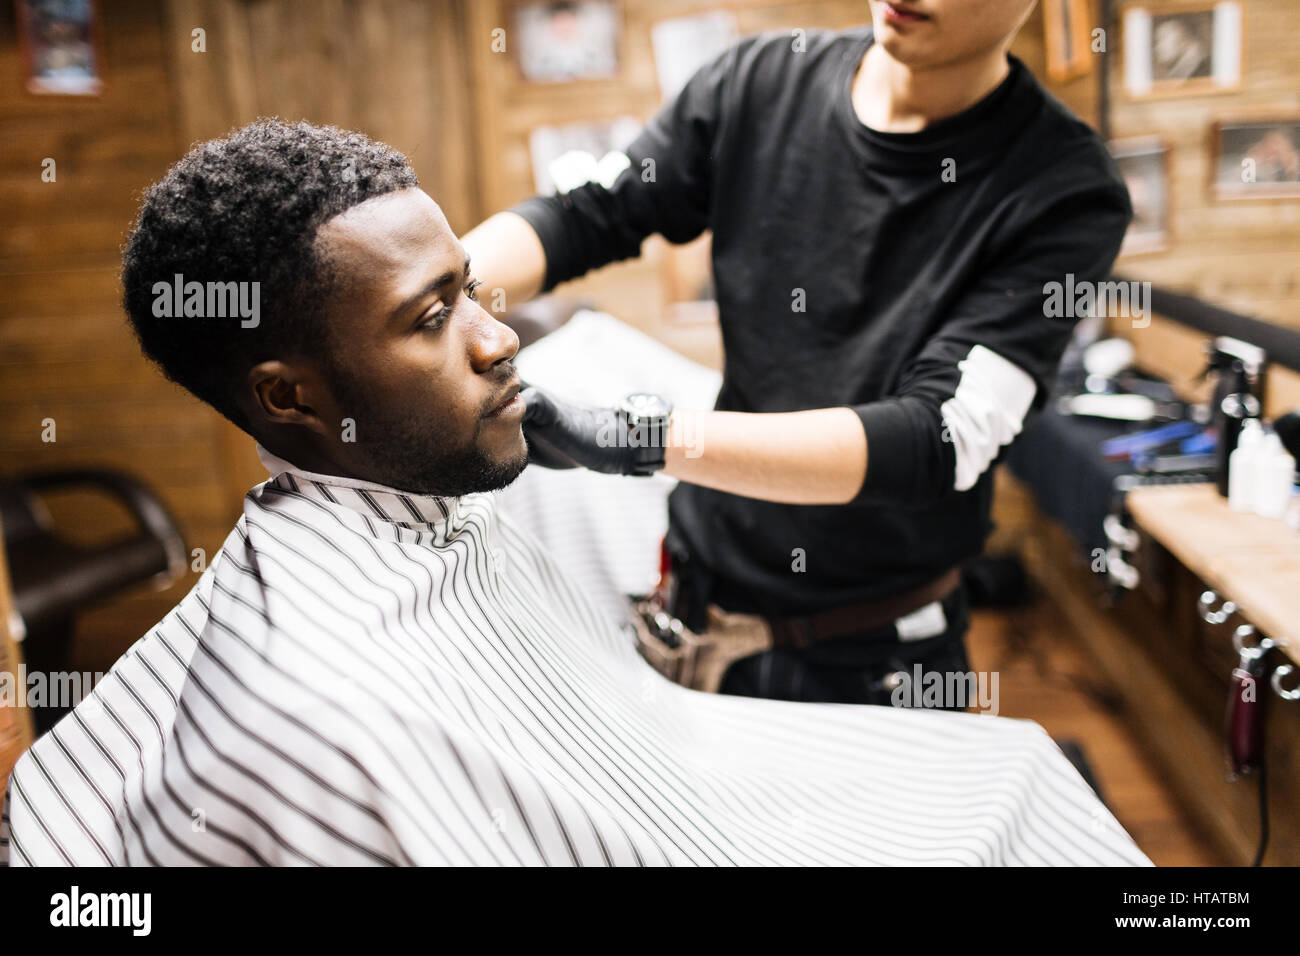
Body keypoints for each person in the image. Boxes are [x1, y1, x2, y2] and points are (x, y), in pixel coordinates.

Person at [0, 120, 1147, 866]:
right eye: (434, 314)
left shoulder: (435, 497)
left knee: (1010, 770)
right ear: (289, 398)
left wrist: (639, 432)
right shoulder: (312, 699)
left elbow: (938, 436)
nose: (501, 341)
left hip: (723, 766)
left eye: (472, 287)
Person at [463, 0, 1133, 706]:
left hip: (875, 661)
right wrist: (430, 289)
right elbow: (585, 213)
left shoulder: (1064, 190)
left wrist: (639, 441)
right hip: (696, 602)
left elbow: (935, 438)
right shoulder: (759, 84)